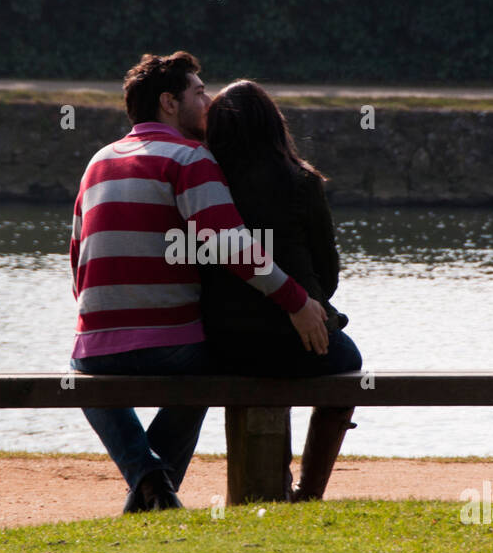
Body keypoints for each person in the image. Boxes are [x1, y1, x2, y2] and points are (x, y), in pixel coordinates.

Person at [69, 52, 330, 513]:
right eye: (199, 92)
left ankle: (149, 484)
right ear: (169, 103)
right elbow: (230, 244)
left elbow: (77, 256)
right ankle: (153, 481)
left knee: (82, 376)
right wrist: (295, 300)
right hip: (173, 346)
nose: (209, 101)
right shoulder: (191, 158)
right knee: (210, 369)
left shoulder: (98, 161)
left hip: (96, 344)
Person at [199, 80, 362, 501]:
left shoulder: (206, 184)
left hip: (222, 343)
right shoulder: (301, 181)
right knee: (348, 365)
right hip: (296, 341)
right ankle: (309, 491)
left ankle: (273, 481)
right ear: (275, 125)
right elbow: (327, 278)